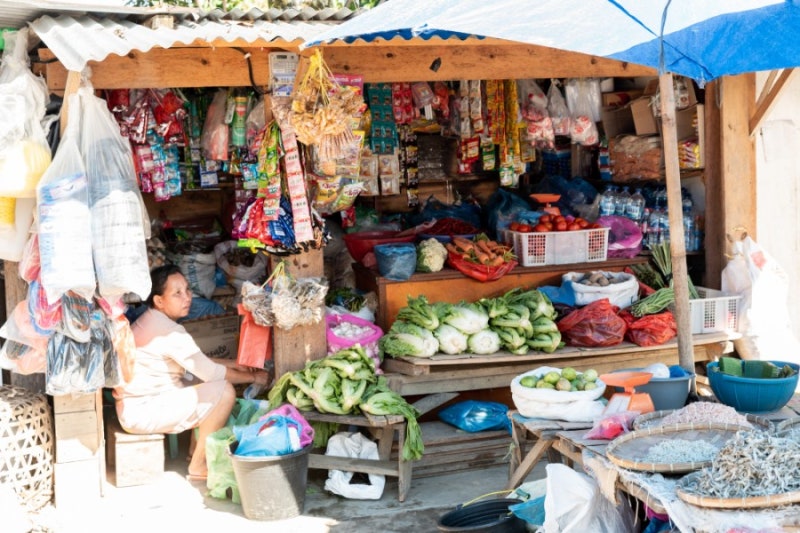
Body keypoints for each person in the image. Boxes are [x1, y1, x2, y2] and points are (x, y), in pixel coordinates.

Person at [113, 264, 269, 480]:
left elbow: (193, 362)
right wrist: (253, 377)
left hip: (136, 407)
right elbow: (210, 372)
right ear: (159, 301)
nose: (187, 297)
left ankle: (192, 453)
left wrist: (233, 363)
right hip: (143, 411)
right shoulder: (168, 331)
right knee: (223, 390)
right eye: (177, 293)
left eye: (187, 290)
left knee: (201, 385)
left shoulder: (151, 320)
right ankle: (198, 465)